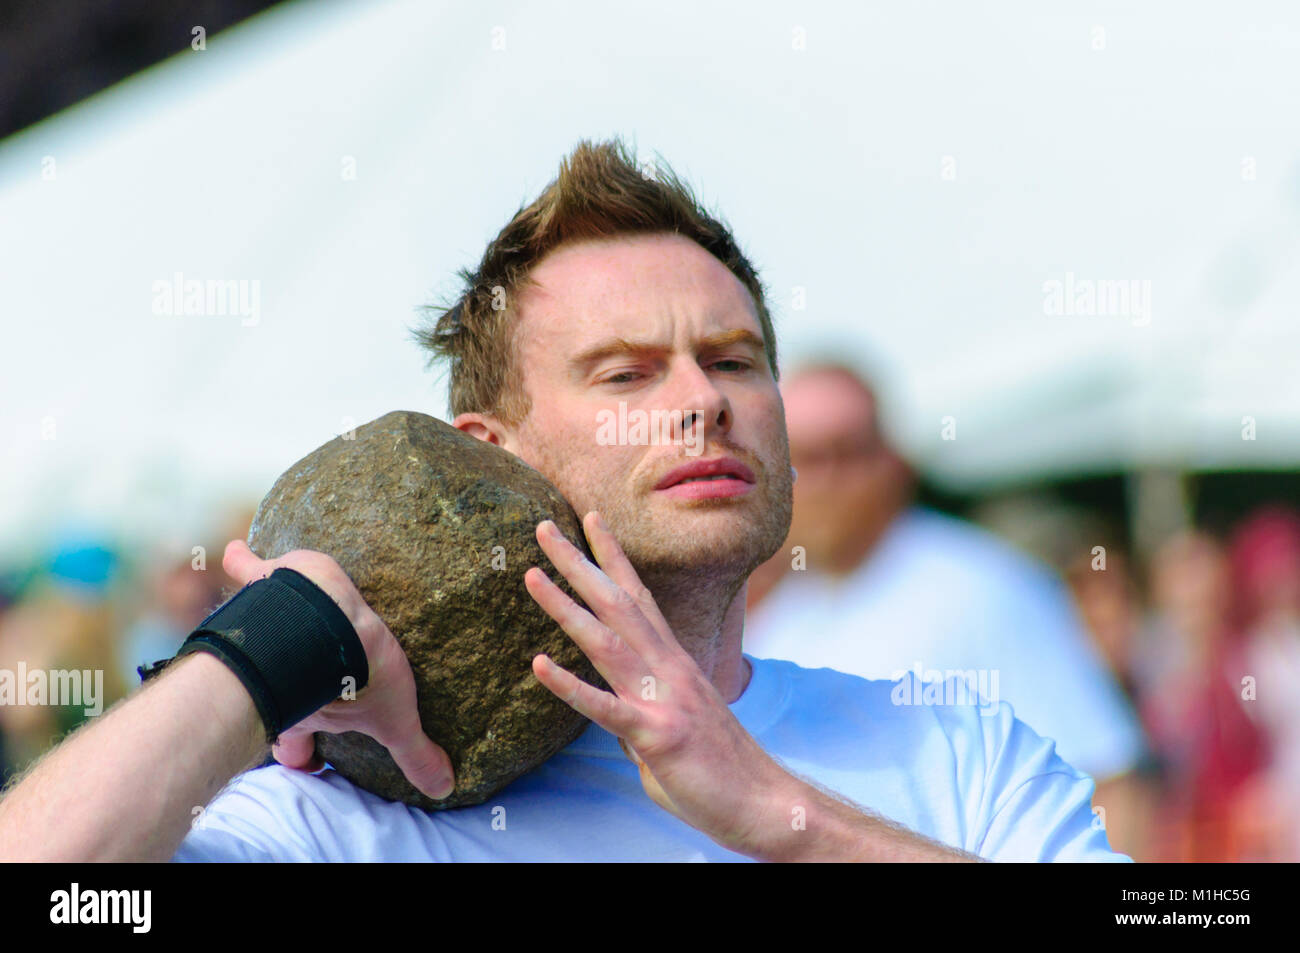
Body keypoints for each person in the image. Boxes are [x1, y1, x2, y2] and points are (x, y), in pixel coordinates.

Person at [0, 139, 1128, 862]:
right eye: (626, 373)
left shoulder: (959, 744)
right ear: (488, 454)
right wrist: (258, 658)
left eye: (734, 360)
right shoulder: (346, 821)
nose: (702, 403)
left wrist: (777, 812)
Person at [742, 364, 1149, 849]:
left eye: (846, 453)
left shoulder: (984, 589)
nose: (824, 481)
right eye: (803, 457)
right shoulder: (786, 615)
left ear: (893, 463)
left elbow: (1108, 784)